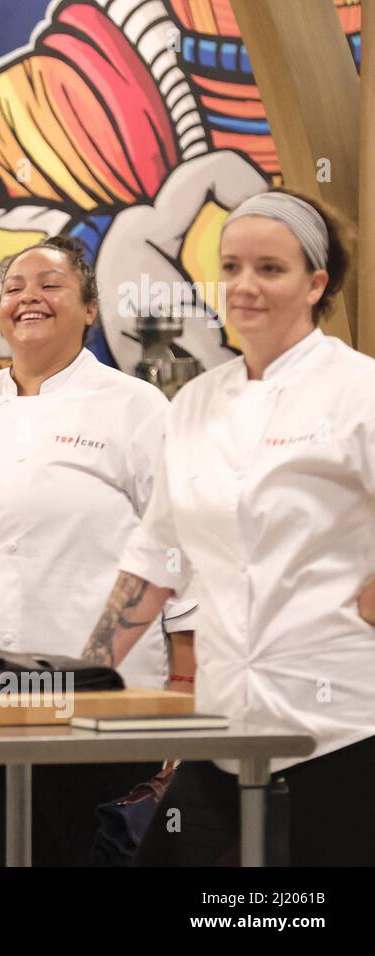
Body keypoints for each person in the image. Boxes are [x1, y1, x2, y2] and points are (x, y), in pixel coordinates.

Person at [0, 235, 195, 866]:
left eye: (50, 285)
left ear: (90, 308)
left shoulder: (136, 409)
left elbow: (183, 560)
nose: (29, 299)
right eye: (14, 289)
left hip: (99, 705)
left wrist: (184, 698)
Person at [82, 188, 375, 866]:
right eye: (232, 266)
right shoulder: (195, 405)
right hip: (226, 728)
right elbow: (155, 559)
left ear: (316, 282)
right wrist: (82, 676)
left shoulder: (358, 391)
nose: (245, 286)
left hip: (342, 729)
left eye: (270, 269)